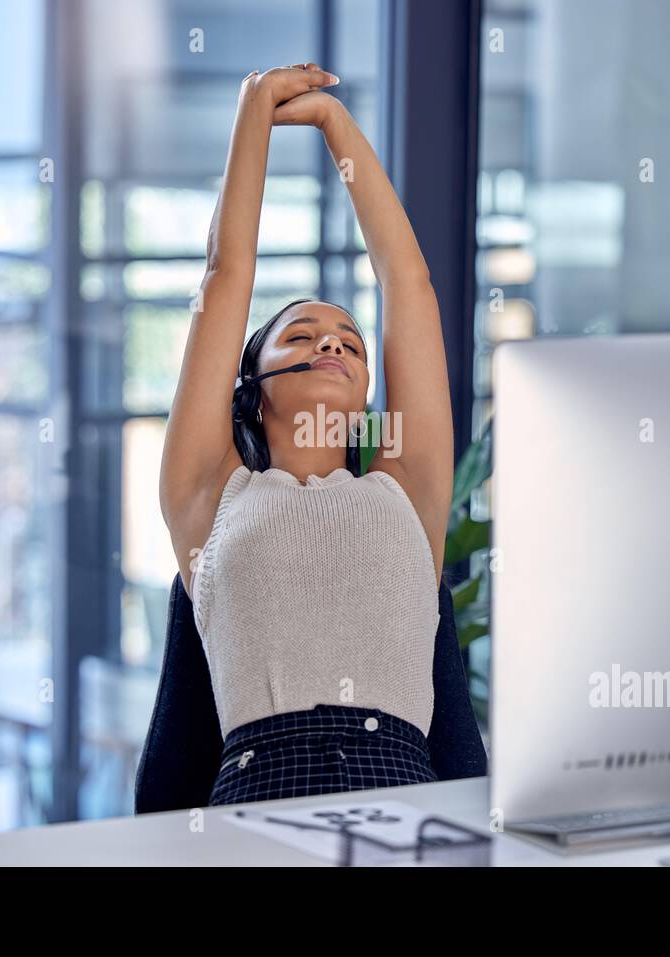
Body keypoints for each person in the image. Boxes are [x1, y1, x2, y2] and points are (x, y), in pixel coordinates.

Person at [160, 63, 453, 806]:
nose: (333, 344)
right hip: (258, 795)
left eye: (351, 343)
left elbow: (409, 286)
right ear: (249, 383)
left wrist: (337, 127)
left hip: (403, 795)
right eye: (302, 335)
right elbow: (226, 275)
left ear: (365, 397)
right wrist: (254, 110)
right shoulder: (208, 493)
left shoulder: (406, 486)